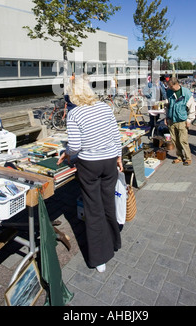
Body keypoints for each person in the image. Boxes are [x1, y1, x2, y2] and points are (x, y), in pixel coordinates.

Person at [57, 75, 123, 273]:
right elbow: (115, 134)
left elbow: (75, 146)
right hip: (110, 161)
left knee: (93, 210)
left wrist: (66, 153)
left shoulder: (74, 114)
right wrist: (119, 157)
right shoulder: (104, 107)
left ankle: (100, 258)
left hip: (90, 165)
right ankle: (114, 242)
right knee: (108, 202)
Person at [164, 77, 196, 166]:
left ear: (175, 84)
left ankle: (188, 158)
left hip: (182, 120)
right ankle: (180, 157)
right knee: (175, 140)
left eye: (170, 86)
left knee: (183, 140)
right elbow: (167, 106)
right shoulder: (169, 92)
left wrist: (189, 120)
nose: (169, 88)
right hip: (171, 119)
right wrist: (166, 117)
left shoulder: (186, 93)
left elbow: (192, 107)